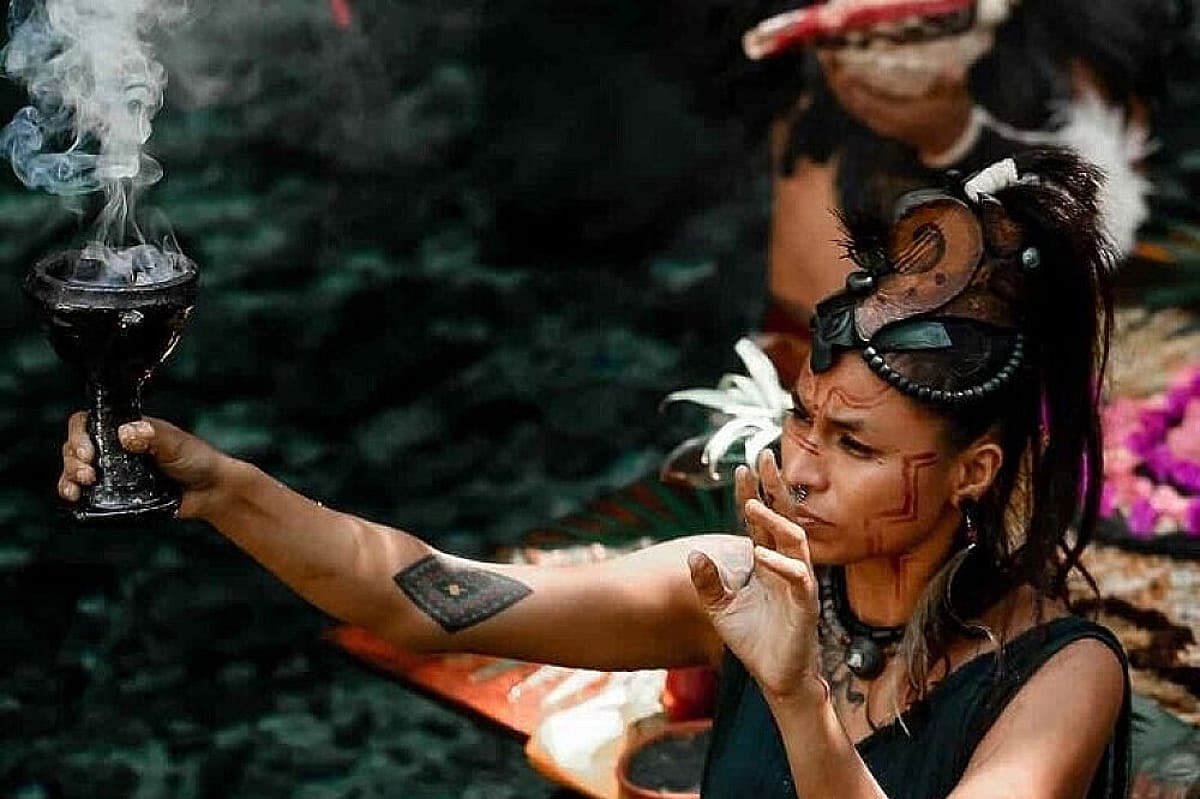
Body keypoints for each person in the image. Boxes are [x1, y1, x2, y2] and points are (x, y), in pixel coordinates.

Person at [56, 148, 1128, 798]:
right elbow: (423, 599)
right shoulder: (738, 587)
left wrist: (799, 697)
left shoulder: (1059, 679)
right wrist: (222, 488)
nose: (799, 468)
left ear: (974, 470)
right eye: (804, 420)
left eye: (854, 448)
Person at [716, 0, 1186, 342]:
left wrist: (954, 141)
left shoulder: (1081, 46)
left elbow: (1094, 226)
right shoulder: (794, 73)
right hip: (803, 342)